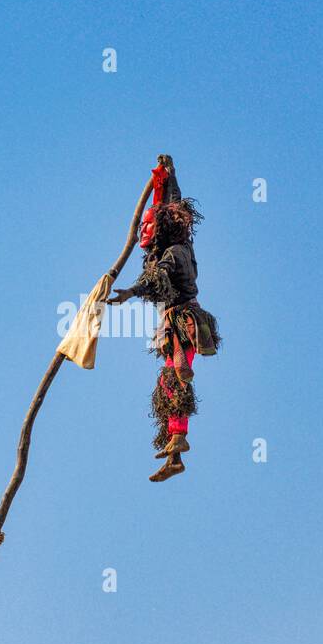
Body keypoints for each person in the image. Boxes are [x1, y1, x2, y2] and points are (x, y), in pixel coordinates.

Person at [108, 155, 220, 482]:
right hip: (179, 323)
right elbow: (173, 204)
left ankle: (178, 435)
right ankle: (175, 450)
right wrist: (170, 177)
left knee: (176, 375)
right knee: (167, 382)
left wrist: (130, 291)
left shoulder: (174, 254)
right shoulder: (180, 245)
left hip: (184, 322)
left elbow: (156, 277)